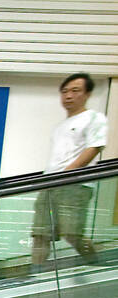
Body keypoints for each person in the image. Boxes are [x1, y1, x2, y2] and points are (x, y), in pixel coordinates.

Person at [31, 73, 108, 267]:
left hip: (74, 185)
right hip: (49, 184)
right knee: (40, 234)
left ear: (87, 94)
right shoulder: (60, 126)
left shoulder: (94, 118)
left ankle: (98, 267)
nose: (68, 95)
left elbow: (94, 147)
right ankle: (33, 278)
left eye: (75, 90)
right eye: (64, 91)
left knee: (72, 234)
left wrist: (68, 173)